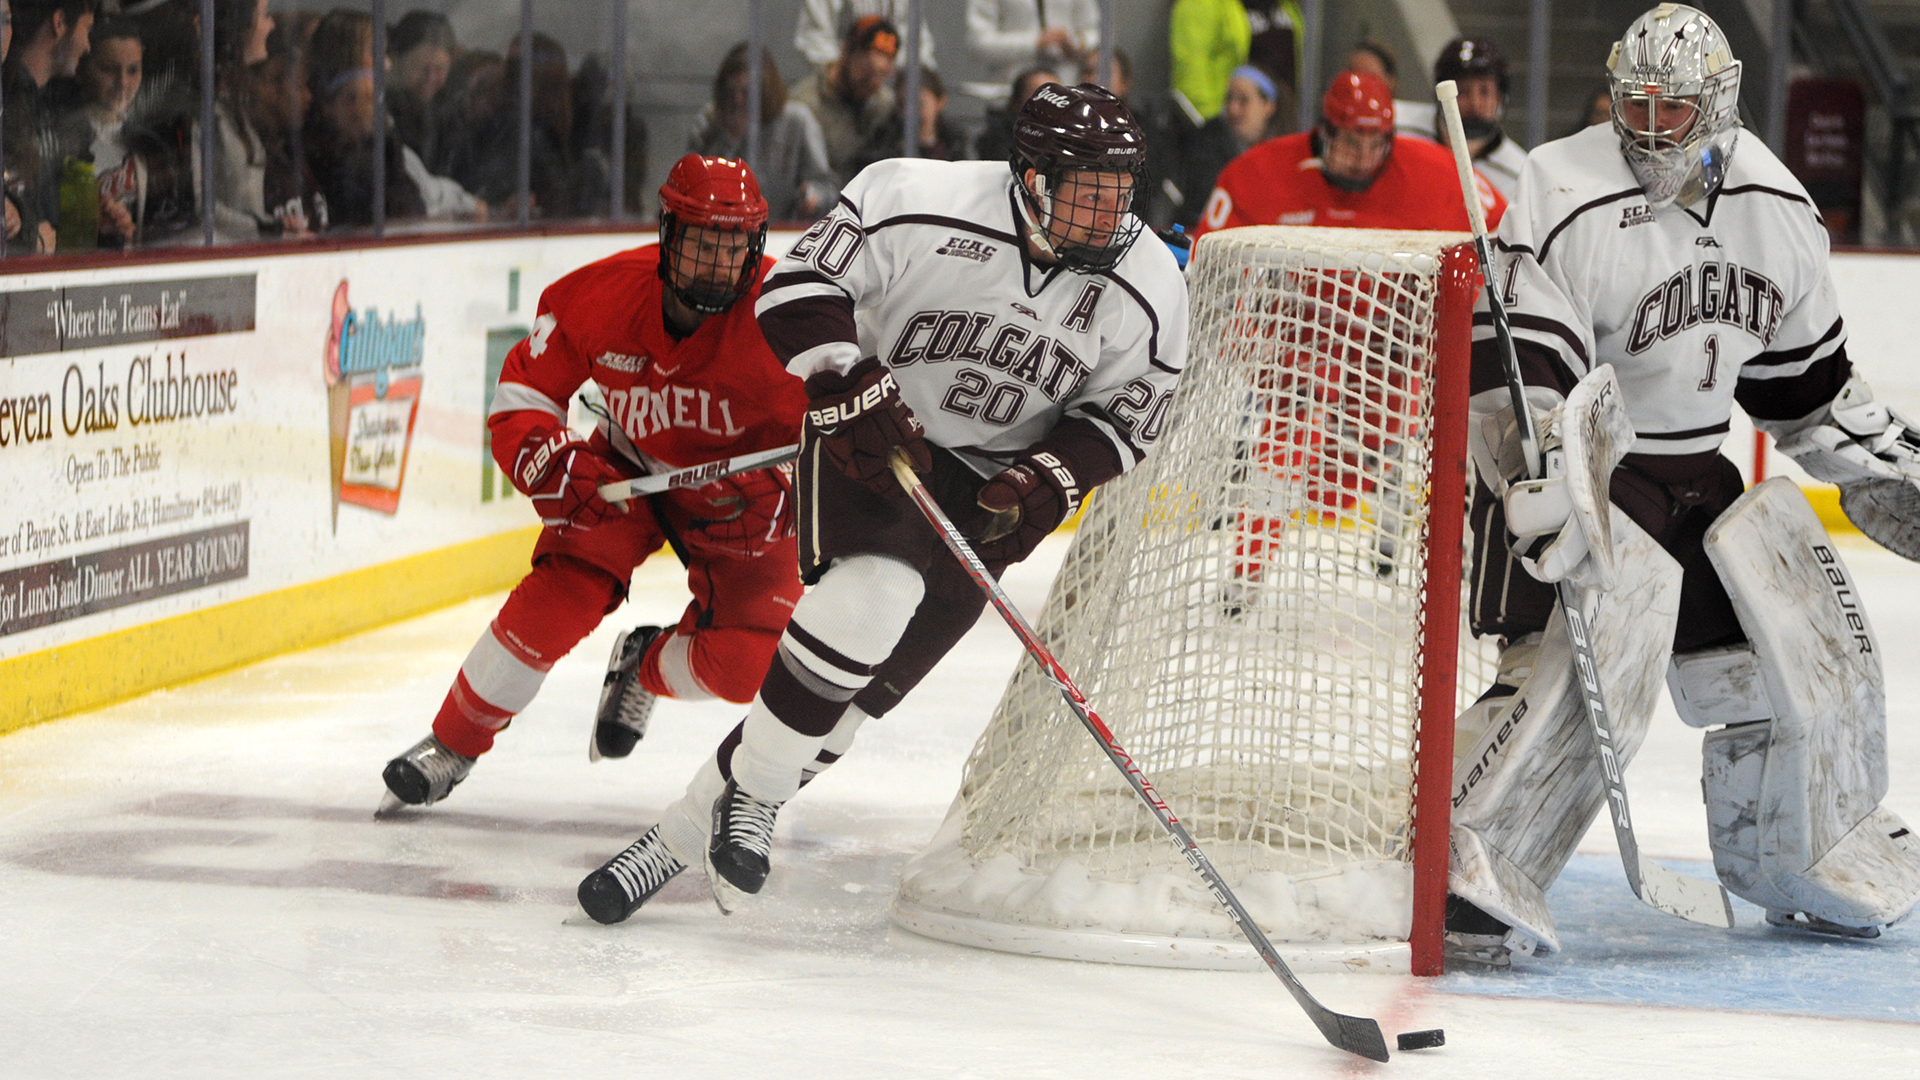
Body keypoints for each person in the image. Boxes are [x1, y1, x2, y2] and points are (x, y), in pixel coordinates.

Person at [575, 83, 1189, 925]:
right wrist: (847, 373)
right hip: (876, 436)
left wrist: (1051, 476)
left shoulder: (1149, 278)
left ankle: (682, 833)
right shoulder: (914, 198)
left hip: (994, 488)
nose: (1106, 215)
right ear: (1031, 176)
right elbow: (795, 290)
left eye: (1119, 194)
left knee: (854, 706)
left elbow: (1128, 416)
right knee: (875, 596)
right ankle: (751, 801)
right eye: (1087, 192)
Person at [1447, 5, 1920, 968]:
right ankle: (1472, 849)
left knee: (1793, 659)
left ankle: (1794, 852)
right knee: (1587, 680)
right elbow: (1520, 362)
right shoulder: (1562, 185)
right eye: (1635, 104)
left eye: (1672, 111)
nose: (1647, 128)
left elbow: (1808, 394)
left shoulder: (1778, 209)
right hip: (1582, 466)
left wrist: (1885, 467)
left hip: (1695, 472)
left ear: (1721, 104)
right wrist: (1539, 463)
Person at [380, 154, 809, 812]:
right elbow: (521, 396)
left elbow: (842, 437)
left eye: (734, 249)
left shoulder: (791, 318)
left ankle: (642, 663)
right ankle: (452, 745)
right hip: (625, 467)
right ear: (668, 233)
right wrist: (552, 462)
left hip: (739, 498)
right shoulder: (601, 292)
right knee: (565, 588)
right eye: (701, 244)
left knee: (752, 663)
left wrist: (789, 491)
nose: (719, 266)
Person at [1191, 69, 1505, 235]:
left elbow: (1501, 233)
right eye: (1351, 143)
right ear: (1325, 131)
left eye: (1375, 144)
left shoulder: (1437, 171)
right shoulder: (1255, 173)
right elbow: (1206, 254)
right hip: (1290, 346)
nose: (1363, 158)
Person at [689, 42, 837, 222]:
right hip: (722, 231)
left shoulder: (796, 122)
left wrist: (812, 197)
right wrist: (730, 138)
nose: (738, 100)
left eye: (747, 92)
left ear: (766, 92)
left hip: (781, 232)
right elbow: (694, 186)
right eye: (730, 91)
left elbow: (827, 187)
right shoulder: (710, 121)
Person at [6, 0, 96, 251]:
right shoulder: (8, 101)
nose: (88, 46)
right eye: (86, 29)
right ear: (59, 23)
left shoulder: (54, 105)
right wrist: (30, 236)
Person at [1172, 63, 1288, 228]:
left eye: (1243, 101)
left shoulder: (1284, 151)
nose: (1233, 109)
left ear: (1268, 106)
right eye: (1229, 99)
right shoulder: (1206, 142)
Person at [791, 14, 897, 184]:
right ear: (847, 51)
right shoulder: (805, 103)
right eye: (867, 71)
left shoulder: (885, 104)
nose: (873, 83)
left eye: (881, 75)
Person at [62, 15, 141, 246]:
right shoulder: (61, 137)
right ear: (80, 70)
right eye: (108, 69)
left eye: (133, 70)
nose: (123, 82)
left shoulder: (154, 134)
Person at [1426, 37, 1525, 199]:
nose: (1475, 104)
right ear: (1440, 94)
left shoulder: (1518, 176)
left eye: (1485, 92)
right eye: (1462, 91)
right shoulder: (1400, 133)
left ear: (1500, 97)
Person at [848, 67, 968, 174]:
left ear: (940, 102)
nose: (909, 112)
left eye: (919, 104)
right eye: (902, 104)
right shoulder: (882, 147)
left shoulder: (956, 145)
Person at [966, 0, 1099, 86]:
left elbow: (1097, 33)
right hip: (1010, 93)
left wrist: (1077, 43)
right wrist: (1035, 42)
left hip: (1068, 89)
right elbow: (978, 44)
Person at [385, 11, 455, 170]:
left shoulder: (451, 115)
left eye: (440, 69)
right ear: (397, 61)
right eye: (421, 67)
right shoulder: (382, 112)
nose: (430, 78)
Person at [794, 0, 935, 72]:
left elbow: (919, 45)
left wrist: (884, 74)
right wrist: (844, 75)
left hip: (889, 88)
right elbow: (814, 39)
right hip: (839, 88)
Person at [971, 64, 1057, 165]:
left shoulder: (1070, 135)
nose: (1051, 102)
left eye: (1057, 96)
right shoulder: (998, 139)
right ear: (1018, 102)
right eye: (1042, 95)